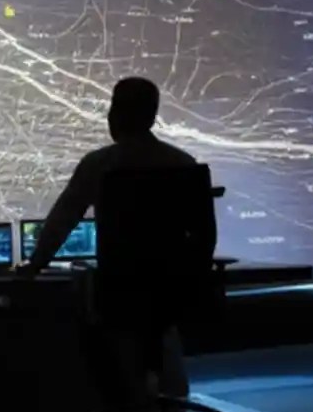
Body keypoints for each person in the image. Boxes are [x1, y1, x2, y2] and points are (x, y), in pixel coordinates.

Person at [18, 76, 196, 275]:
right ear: (152, 117)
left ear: (116, 115)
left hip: (118, 290)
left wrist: (35, 264)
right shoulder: (184, 163)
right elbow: (203, 232)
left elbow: (62, 220)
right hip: (177, 290)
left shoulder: (97, 165)